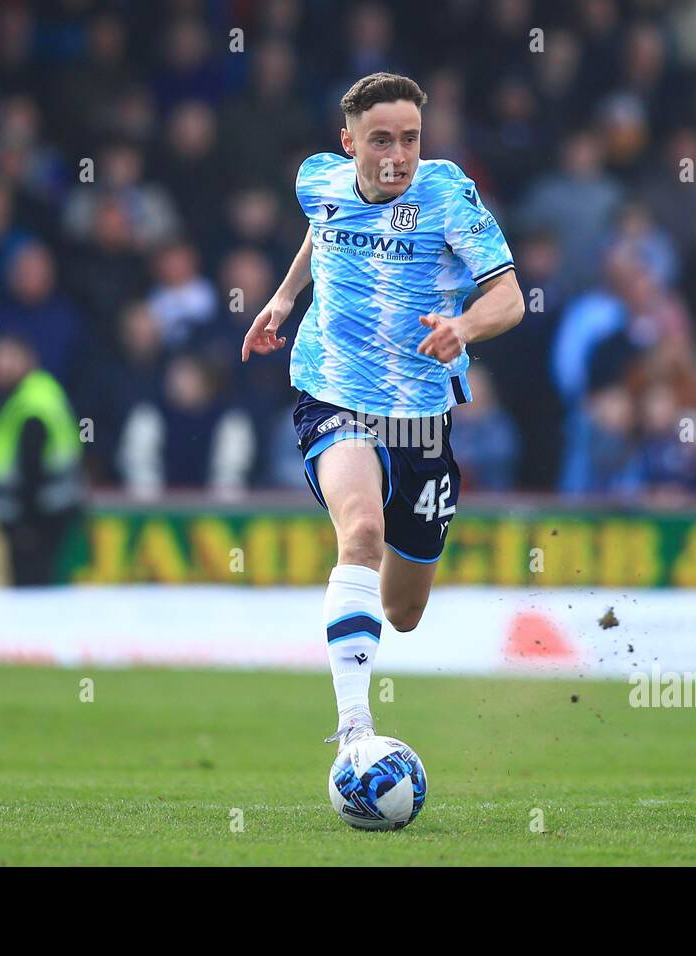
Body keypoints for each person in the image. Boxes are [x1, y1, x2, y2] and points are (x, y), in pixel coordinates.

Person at [240, 73, 524, 749]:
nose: (398, 155)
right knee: (361, 530)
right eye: (380, 141)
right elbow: (322, 228)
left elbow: (509, 297)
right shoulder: (320, 179)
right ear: (349, 144)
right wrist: (284, 298)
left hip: (420, 418)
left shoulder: (447, 195)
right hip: (330, 390)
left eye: (410, 139)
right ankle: (354, 731)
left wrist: (465, 328)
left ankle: (366, 647)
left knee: (403, 611)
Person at [0, 334, 84, 586]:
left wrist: (26, 526)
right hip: (49, 515)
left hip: (38, 522)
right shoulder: (35, 394)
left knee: (32, 600)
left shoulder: (30, 405)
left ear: (28, 360)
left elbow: (31, 470)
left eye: (7, 358)